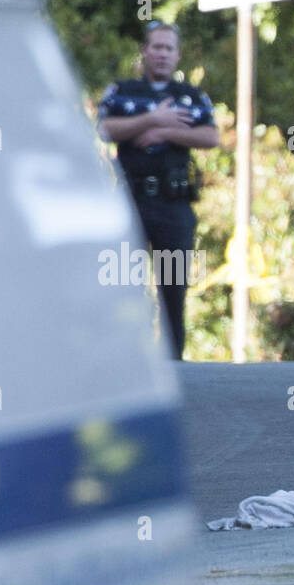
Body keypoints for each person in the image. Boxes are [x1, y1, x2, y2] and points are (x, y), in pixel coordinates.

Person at [99, 20, 218, 359]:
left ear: (178, 55)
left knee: (172, 291)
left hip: (173, 206)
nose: (163, 54)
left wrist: (166, 133)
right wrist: (152, 119)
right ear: (145, 50)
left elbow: (210, 137)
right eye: (157, 47)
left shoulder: (191, 96)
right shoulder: (124, 92)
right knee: (124, 288)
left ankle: (174, 369)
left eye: (169, 48)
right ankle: (128, 367)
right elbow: (105, 128)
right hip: (130, 204)